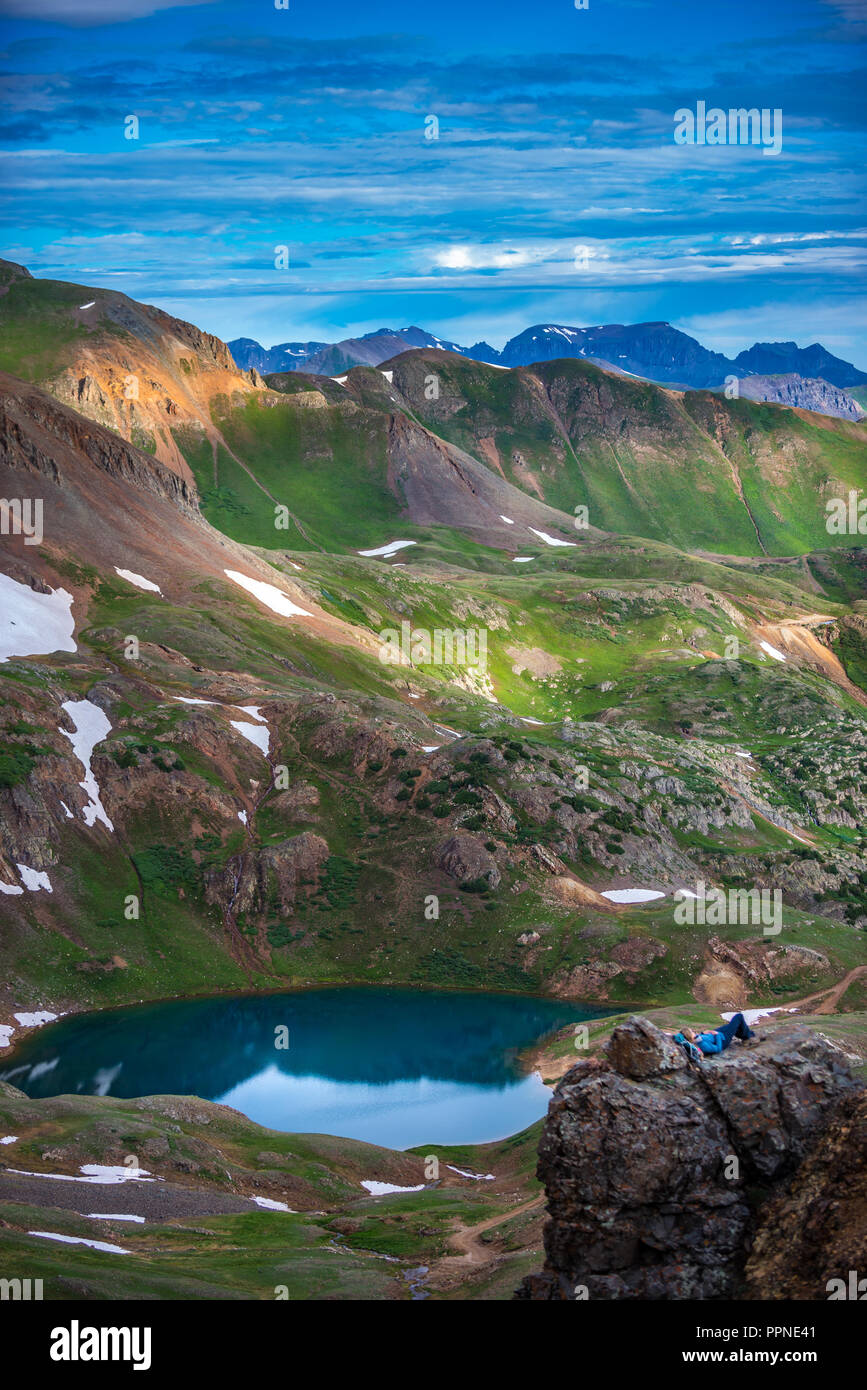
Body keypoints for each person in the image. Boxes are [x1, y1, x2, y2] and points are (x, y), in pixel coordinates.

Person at [681, 1013, 756, 1056]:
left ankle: (746, 1034)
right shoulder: (703, 1045)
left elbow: (703, 1038)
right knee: (738, 1017)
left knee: (733, 1025)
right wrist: (717, 1035)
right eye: (691, 1032)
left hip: (715, 1035)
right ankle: (747, 1037)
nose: (693, 1031)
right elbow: (718, 1049)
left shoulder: (697, 1039)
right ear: (690, 1037)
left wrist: (703, 1033)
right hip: (723, 1039)